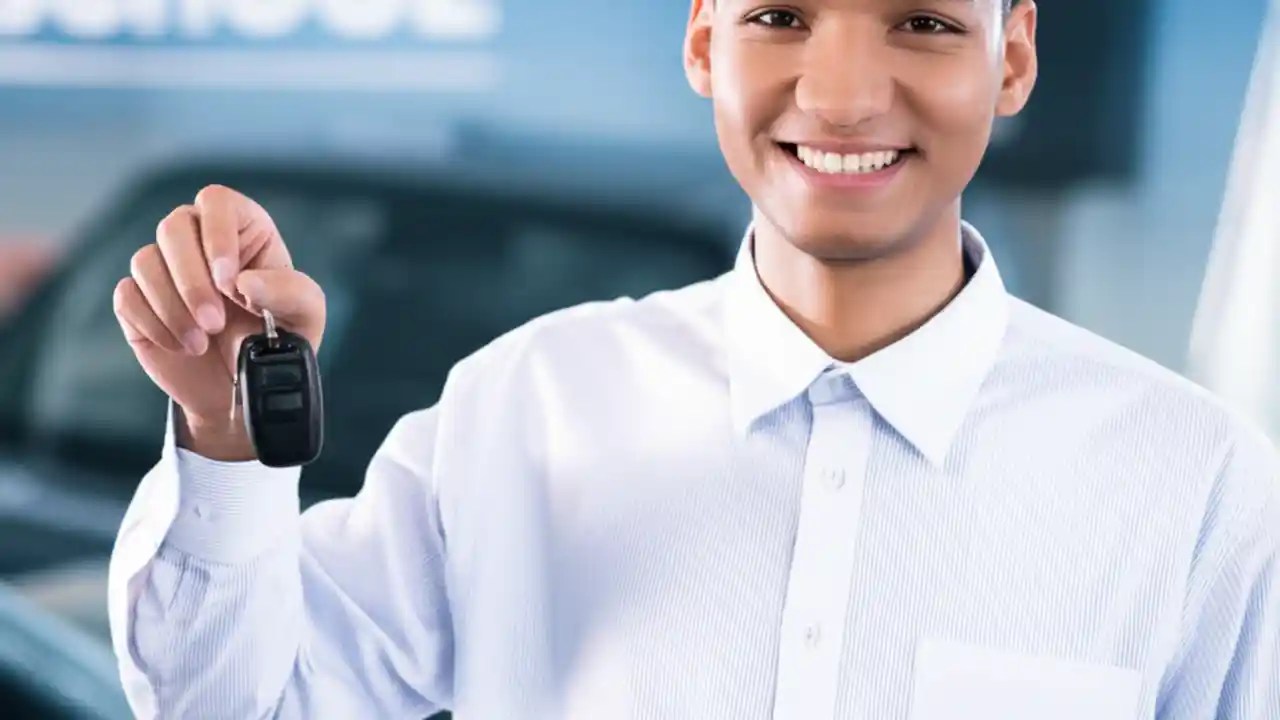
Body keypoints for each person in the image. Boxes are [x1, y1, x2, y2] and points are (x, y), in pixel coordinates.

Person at [107, 0, 1279, 718]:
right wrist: (226, 448)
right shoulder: (527, 408)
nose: (842, 94)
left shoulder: (1193, 482)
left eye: (921, 20)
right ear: (701, 39)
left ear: (1011, 57)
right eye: (779, 16)